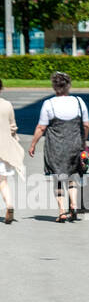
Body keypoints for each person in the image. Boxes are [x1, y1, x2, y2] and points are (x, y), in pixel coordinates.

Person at [27, 72, 89, 223]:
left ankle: (62, 211)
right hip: (75, 144)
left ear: (54, 87)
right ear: (68, 85)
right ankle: (73, 205)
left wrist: (33, 144)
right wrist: (83, 142)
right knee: (73, 175)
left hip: (55, 147)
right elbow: (86, 125)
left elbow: (41, 128)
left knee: (58, 179)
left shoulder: (49, 104)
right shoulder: (79, 102)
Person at [0, 79, 22, 224]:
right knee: (3, 181)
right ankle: (9, 204)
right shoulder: (7, 105)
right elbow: (13, 127)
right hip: (3, 148)